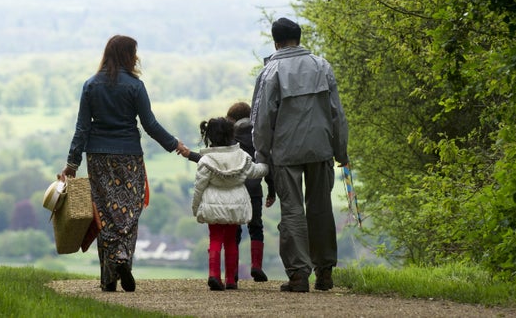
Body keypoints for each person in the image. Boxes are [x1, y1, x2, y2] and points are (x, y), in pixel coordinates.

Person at [59, 35, 189, 293]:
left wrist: (72, 163)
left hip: (97, 157)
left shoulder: (90, 86)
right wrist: (176, 145)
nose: (137, 57)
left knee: (105, 214)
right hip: (129, 157)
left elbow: (82, 128)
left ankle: (108, 279)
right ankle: (121, 259)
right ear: (128, 56)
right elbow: (150, 124)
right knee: (128, 211)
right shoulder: (135, 86)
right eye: (134, 53)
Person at [251, 17, 349, 293]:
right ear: (299, 37)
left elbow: (260, 119)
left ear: (276, 41)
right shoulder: (322, 66)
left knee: (292, 211)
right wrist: (341, 150)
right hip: (321, 150)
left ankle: (298, 275)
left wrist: (262, 155)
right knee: (321, 209)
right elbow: (336, 114)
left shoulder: (271, 72)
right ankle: (325, 272)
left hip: (285, 152)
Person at [185, 101, 275, 281]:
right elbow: (262, 166)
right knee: (256, 227)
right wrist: (272, 189)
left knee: (231, 233)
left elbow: (212, 162)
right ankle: (256, 266)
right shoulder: (259, 135)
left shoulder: (230, 139)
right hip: (253, 189)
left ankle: (229, 273)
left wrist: (189, 155)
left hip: (230, 191)